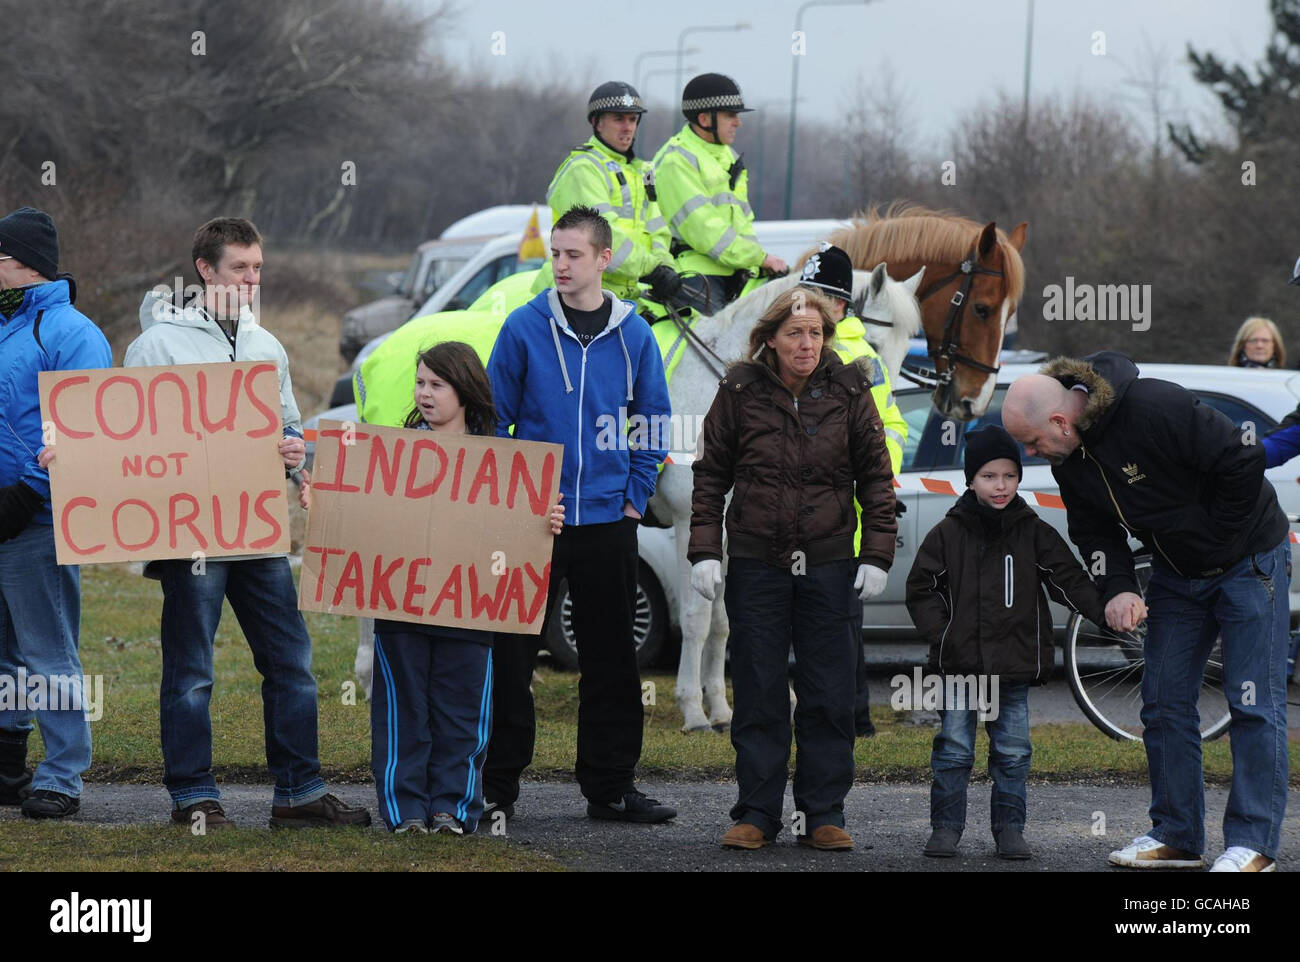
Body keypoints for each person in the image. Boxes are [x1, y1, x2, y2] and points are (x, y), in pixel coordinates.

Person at [122, 217, 370, 829]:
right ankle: (193, 796)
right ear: (205, 270)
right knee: (191, 671)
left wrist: (292, 450)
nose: (252, 279)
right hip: (192, 536)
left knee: (291, 662)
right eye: (240, 268)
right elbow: (124, 439)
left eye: (258, 268)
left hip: (258, 531)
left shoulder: (267, 346)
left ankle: (299, 792)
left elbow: (288, 422)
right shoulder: (157, 347)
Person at [1003, 352, 1291, 872]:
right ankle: (1177, 834)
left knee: (1252, 702)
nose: (1030, 453)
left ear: (1061, 422)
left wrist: (1212, 542)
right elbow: (1093, 530)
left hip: (1249, 562)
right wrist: (1116, 587)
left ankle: (1254, 844)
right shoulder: (1071, 461)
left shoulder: (1156, 405)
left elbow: (1242, 461)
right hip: (1176, 576)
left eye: (1033, 442)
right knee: (1162, 702)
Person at [300, 341, 564, 834]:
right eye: (419, 382)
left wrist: (543, 520)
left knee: (462, 716)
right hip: (401, 614)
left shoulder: (502, 461)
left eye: (436, 384)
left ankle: (452, 808)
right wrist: (328, 501)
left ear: (464, 391)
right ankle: (406, 812)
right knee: (404, 714)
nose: (425, 393)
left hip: (470, 614)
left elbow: (513, 532)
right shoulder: (391, 454)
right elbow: (364, 519)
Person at [483, 205, 675, 823]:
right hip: (533, 522)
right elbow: (494, 421)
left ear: (603, 259)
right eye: (555, 254)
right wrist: (527, 493)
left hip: (607, 522)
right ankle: (496, 788)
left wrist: (632, 499)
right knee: (511, 659)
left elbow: (651, 422)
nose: (560, 265)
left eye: (572, 255)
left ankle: (611, 787)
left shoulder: (635, 334)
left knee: (612, 660)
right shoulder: (522, 327)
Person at [688, 286, 896, 851]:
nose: (807, 343)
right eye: (795, 333)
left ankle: (824, 814)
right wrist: (705, 550)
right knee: (758, 690)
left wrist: (876, 554)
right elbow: (710, 476)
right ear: (772, 338)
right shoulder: (739, 389)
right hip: (758, 565)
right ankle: (756, 813)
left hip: (830, 566)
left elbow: (878, 479)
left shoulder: (852, 389)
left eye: (816, 333)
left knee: (828, 693)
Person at [906, 426, 1107, 860]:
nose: (1000, 486)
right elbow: (922, 589)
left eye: (1009, 476)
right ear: (970, 480)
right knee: (954, 748)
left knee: (1013, 752)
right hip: (959, 667)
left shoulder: (1033, 531)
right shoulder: (948, 533)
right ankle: (945, 829)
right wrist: (943, 636)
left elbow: (1068, 579)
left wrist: (1105, 610)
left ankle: (1010, 830)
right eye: (989, 476)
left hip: (1013, 667)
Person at [0, 207, 112, 819]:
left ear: (20, 261)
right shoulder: (4, 322)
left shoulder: (73, 333)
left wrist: (29, 493)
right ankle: (9, 762)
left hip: (38, 518)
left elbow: (91, 433)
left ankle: (63, 776)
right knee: (3, 651)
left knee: (47, 651)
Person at [799, 242, 908, 738]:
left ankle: (851, 721)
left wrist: (859, 476)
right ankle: (847, 718)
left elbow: (892, 431)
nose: (807, 305)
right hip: (805, 519)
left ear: (841, 305)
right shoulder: (800, 345)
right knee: (823, 629)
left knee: (839, 629)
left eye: (819, 297)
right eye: (804, 293)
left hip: (844, 520)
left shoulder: (857, 358)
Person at [533, 81, 685, 311]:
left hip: (626, 296)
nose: (627, 127)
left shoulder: (642, 171)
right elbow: (601, 235)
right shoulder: (583, 168)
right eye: (618, 119)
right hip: (576, 296)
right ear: (596, 122)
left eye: (633, 120)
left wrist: (665, 266)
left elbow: (658, 229)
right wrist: (652, 270)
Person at [652, 73, 787, 315]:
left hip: (738, 270)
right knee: (713, 350)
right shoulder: (676, 160)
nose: (738, 122)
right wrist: (759, 257)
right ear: (704, 119)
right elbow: (703, 229)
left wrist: (758, 263)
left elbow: (743, 224)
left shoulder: (730, 157)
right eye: (730, 115)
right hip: (694, 274)